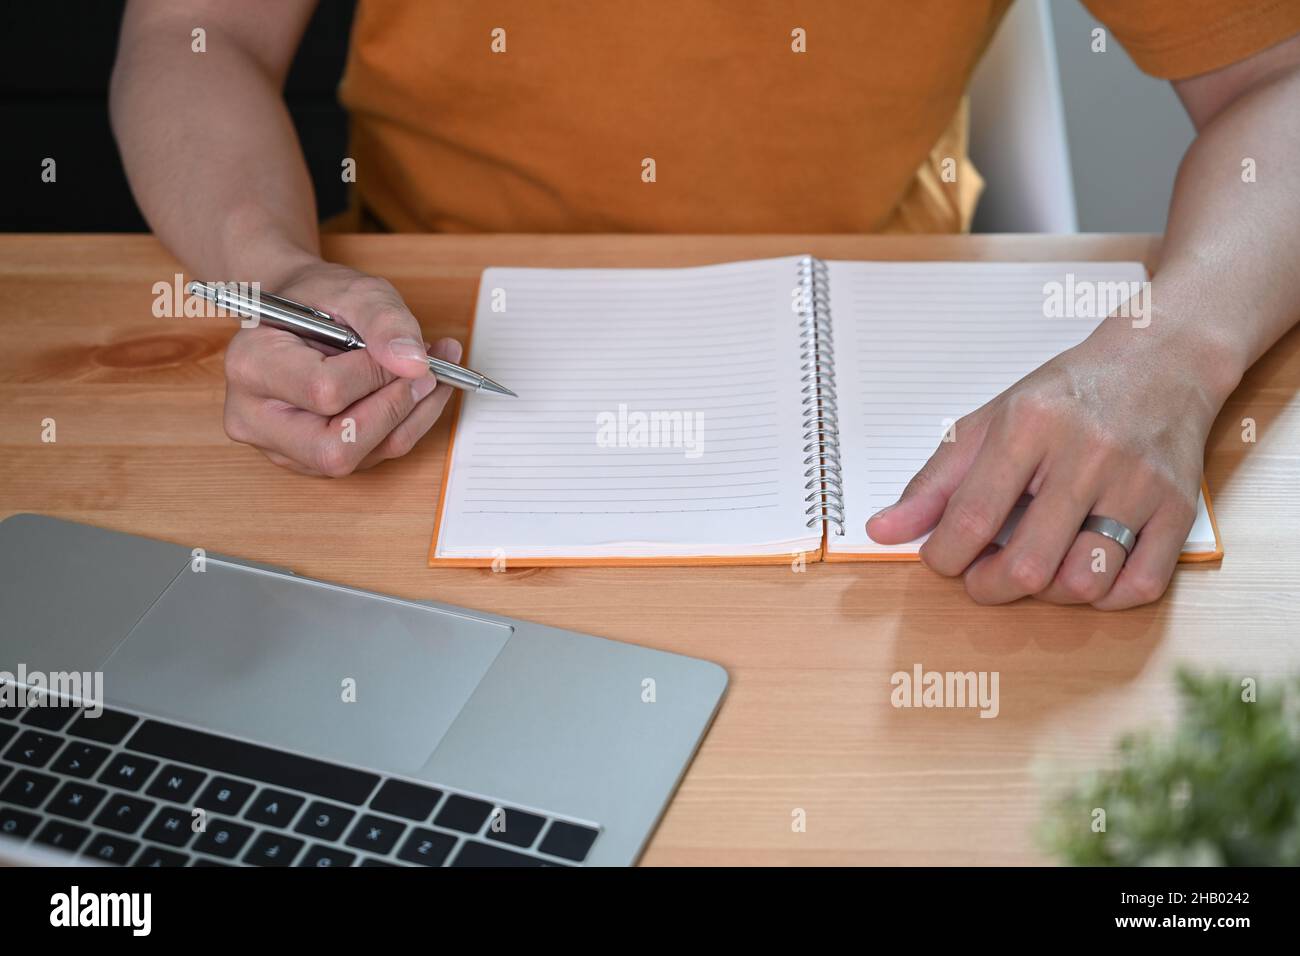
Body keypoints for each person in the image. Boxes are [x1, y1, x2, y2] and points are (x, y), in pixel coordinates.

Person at [110, 1, 1300, 608]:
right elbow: (186, 32)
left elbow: (1278, 81)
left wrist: (1177, 347)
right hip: (413, 362)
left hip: (887, 374)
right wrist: (277, 275)